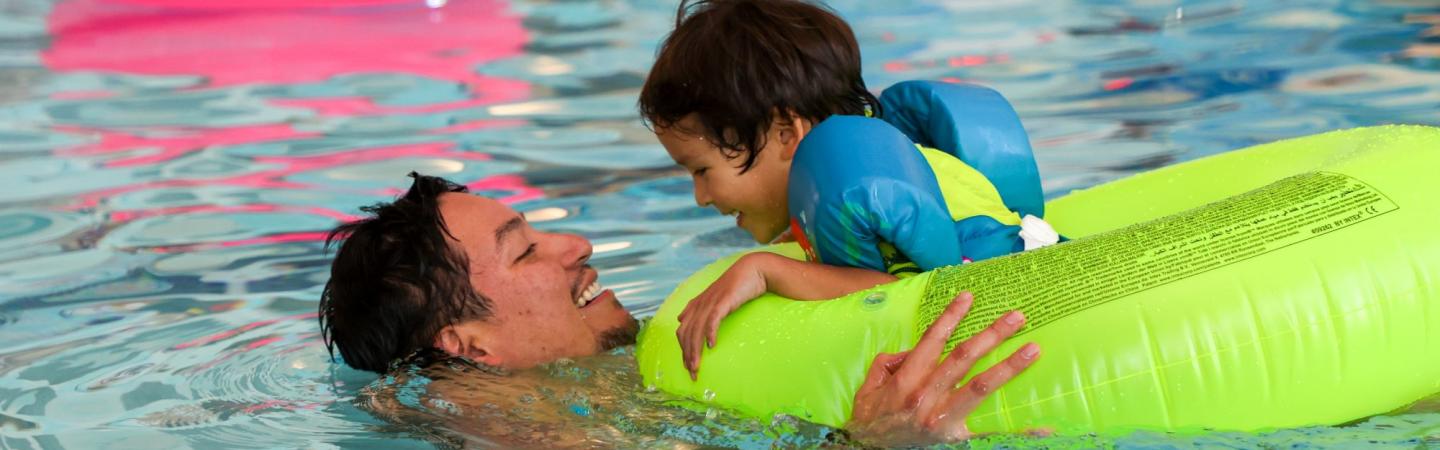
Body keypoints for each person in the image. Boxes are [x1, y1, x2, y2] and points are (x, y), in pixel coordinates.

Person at [319, 173, 1041, 447]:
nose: (576, 243)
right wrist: (870, 445)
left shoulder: (597, 384)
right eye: (527, 251)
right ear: (470, 346)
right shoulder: (510, 433)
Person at [637, 0, 1058, 379]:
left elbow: (906, 296)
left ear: (786, 133)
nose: (700, 197)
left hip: (1035, 319)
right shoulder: (876, 169)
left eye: (701, 170)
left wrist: (765, 269)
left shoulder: (863, 193)